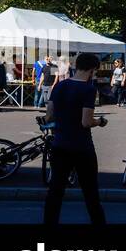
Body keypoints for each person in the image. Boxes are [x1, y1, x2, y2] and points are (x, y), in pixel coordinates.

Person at [44, 52, 108, 225]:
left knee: (55, 192)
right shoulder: (88, 89)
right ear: (92, 69)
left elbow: (49, 116)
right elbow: (86, 122)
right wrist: (100, 121)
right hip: (82, 147)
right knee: (90, 194)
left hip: (60, 144)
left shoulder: (60, 86)